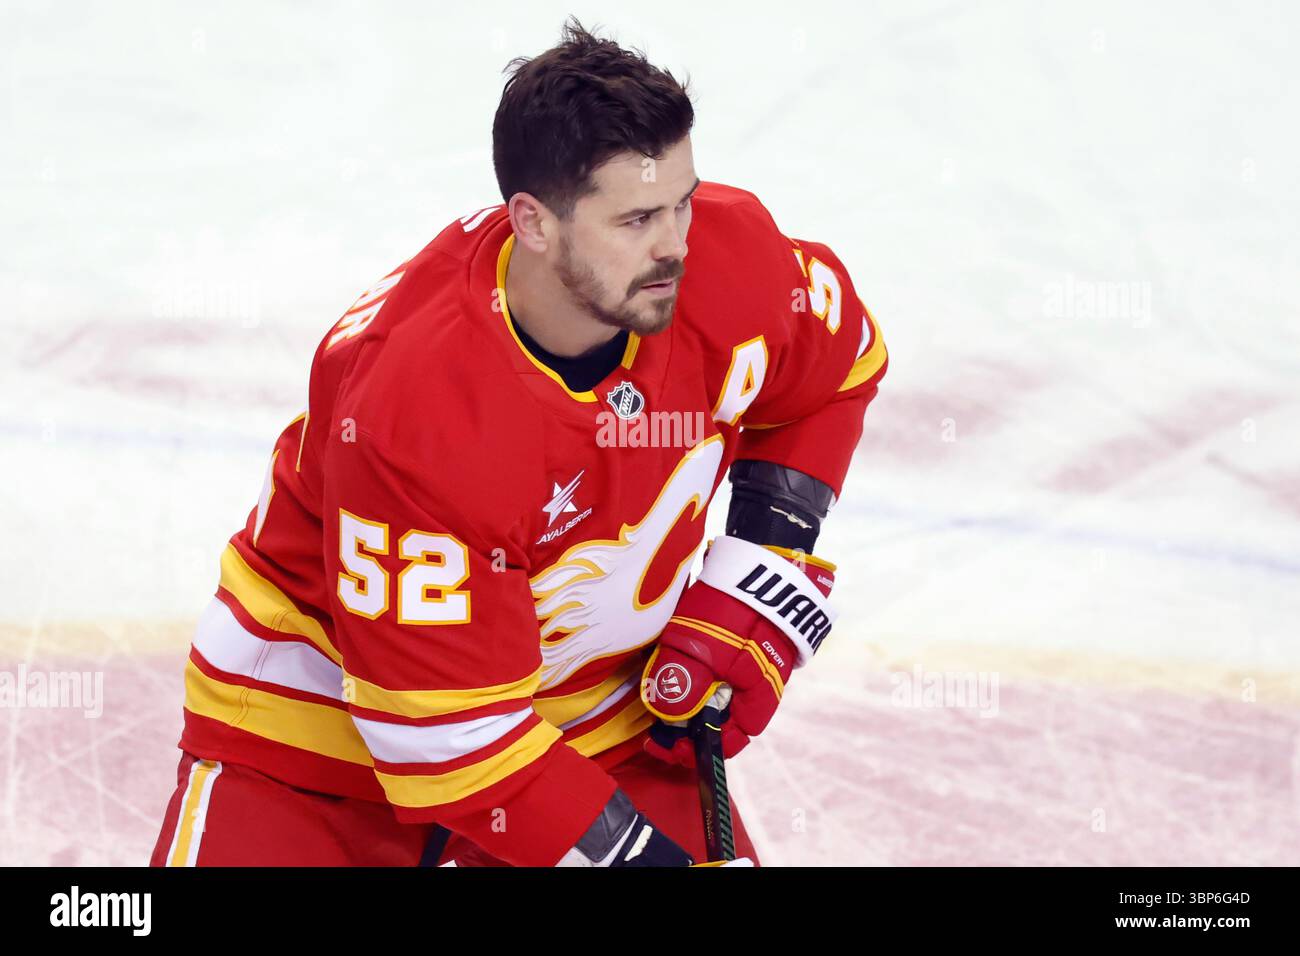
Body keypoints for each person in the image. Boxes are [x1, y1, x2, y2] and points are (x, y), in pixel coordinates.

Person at [150, 18, 887, 868]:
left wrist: (764, 562)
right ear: (532, 224)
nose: (678, 245)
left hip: (597, 723)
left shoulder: (731, 256)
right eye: (639, 217)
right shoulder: (417, 407)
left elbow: (834, 373)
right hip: (324, 741)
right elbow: (453, 741)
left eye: (684, 200)